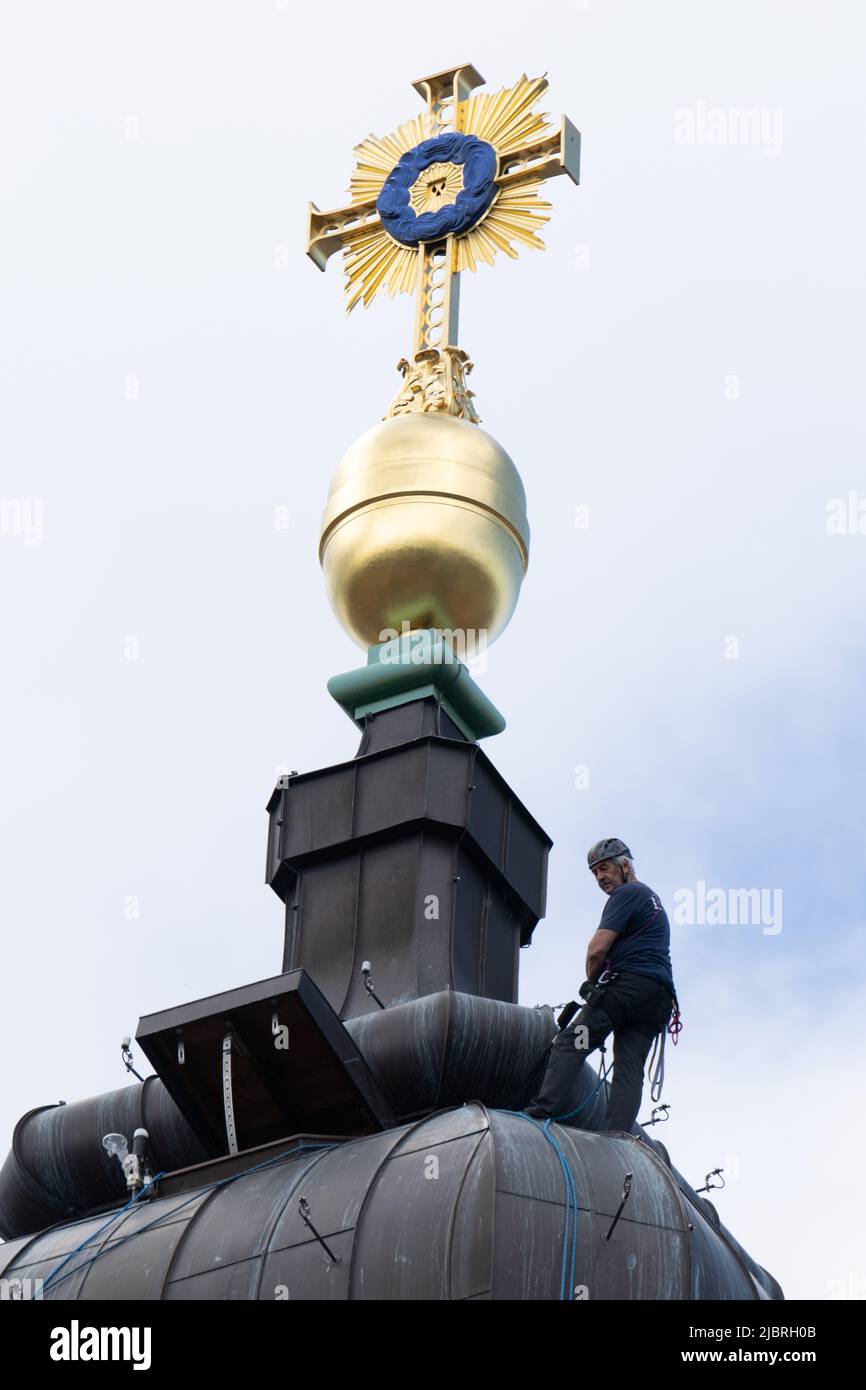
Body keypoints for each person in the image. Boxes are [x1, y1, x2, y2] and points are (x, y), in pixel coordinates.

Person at [525, 837, 678, 1133]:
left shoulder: (627, 893)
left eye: (604, 868)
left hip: (624, 993)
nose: (600, 878)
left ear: (624, 865)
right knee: (628, 1071)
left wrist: (590, 984)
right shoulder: (653, 901)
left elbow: (597, 949)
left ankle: (540, 1113)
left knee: (572, 1043)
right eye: (595, 873)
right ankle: (616, 1138)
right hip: (655, 1004)